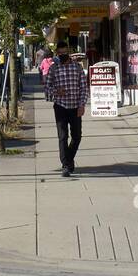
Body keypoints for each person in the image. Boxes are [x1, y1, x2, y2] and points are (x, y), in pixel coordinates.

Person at [44, 40, 88, 177]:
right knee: (62, 136)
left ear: (68, 52)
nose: (63, 55)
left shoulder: (77, 67)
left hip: (75, 106)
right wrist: (57, 92)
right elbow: (47, 87)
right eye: (60, 53)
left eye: (65, 52)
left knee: (77, 136)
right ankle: (65, 165)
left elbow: (83, 87)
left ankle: (68, 159)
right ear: (57, 53)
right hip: (60, 106)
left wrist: (82, 104)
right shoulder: (53, 68)